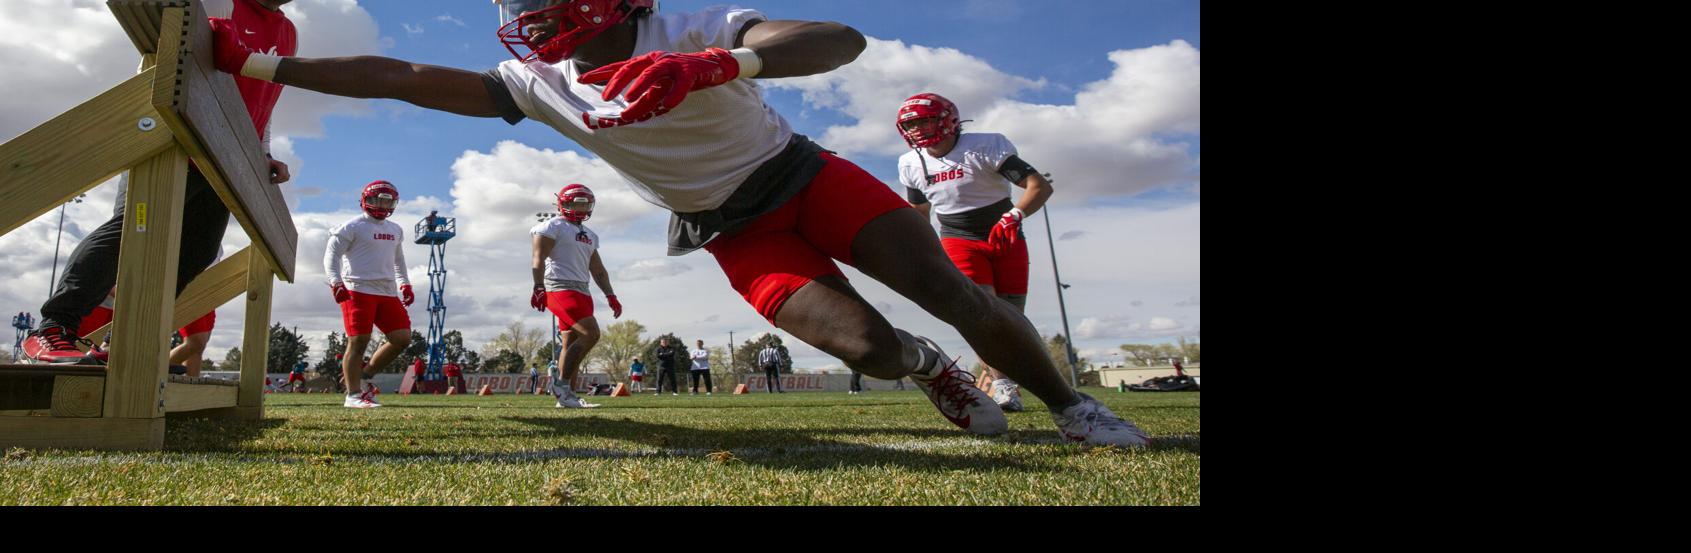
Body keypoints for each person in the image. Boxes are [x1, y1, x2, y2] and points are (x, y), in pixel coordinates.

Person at [208, 0, 1146, 444]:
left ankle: (1073, 407)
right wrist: (258, 70)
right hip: (728, 226)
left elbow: (835, 40)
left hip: (802, 174)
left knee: (948, 288)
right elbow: (398, 76)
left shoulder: (688, 22)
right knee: (863, 344)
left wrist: (716, 66)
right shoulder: (535, 81)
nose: (525, 15)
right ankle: (930, 370)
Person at [21, 0, 298, 367]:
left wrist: (262, 152)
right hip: (176, 133)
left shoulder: (288, 32)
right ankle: (54, 328)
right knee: (130, 232)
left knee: (198, 251)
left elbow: (265, 99)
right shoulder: (223, 2)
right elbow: (166, 50)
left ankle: (127, 339)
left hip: (227, 156)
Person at [896, 92, 1050, 413]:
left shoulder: (986, 145)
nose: (918, 129)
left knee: (1012, 318)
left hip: (1004, 231)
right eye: (911, 124)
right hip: (957, 237)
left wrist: (1015, 215)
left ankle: (1004, 378)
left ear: (949, 120)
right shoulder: (910, 163)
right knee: (981, 313)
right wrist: (922, 254)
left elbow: (1039, 186)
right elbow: (919, 211)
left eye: (924, 120)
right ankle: (1004, 385)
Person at [325, 180, 416, 409]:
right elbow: (331, 256)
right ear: (365, 200)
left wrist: (405, 283)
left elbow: (398, 260)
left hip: (386, 291)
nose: (383, 205)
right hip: (357, 289)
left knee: (402, 338)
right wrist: (336, 282)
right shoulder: (352, 226)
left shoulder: (395, 229)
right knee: (358, 341)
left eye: (388, 201)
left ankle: (366, 374)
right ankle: (353, 395)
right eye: (378, 200)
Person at [530, 183, 622, 408]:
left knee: (570, 341)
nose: (580, 208)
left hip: (582, 289)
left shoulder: (589, 234)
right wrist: (539, 286)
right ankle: (561, 386)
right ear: (563, 203)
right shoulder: (551, 226)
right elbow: (538, 259)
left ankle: (566, 397)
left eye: (584, 204)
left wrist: (610, 295)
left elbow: (598, 269)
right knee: (591, 334)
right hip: (560, 287)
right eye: (575, 203)